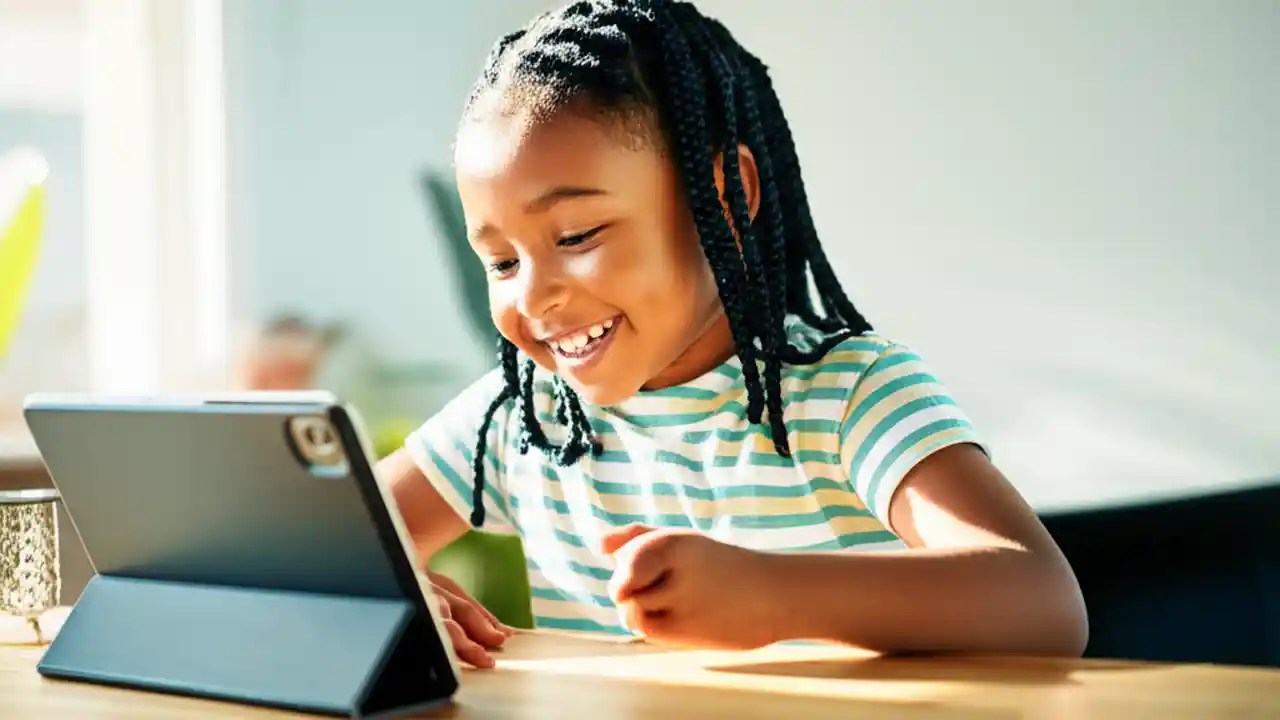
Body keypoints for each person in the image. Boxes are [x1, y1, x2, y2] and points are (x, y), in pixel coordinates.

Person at [381, 0, 1087, 668]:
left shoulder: (849, 394)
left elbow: (1044, 603)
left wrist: (774, 595)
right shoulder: (526, 418)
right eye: (501, 261)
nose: (533, 295)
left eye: (577, 235)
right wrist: (386, 592)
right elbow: (321, 548)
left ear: (724, 198)